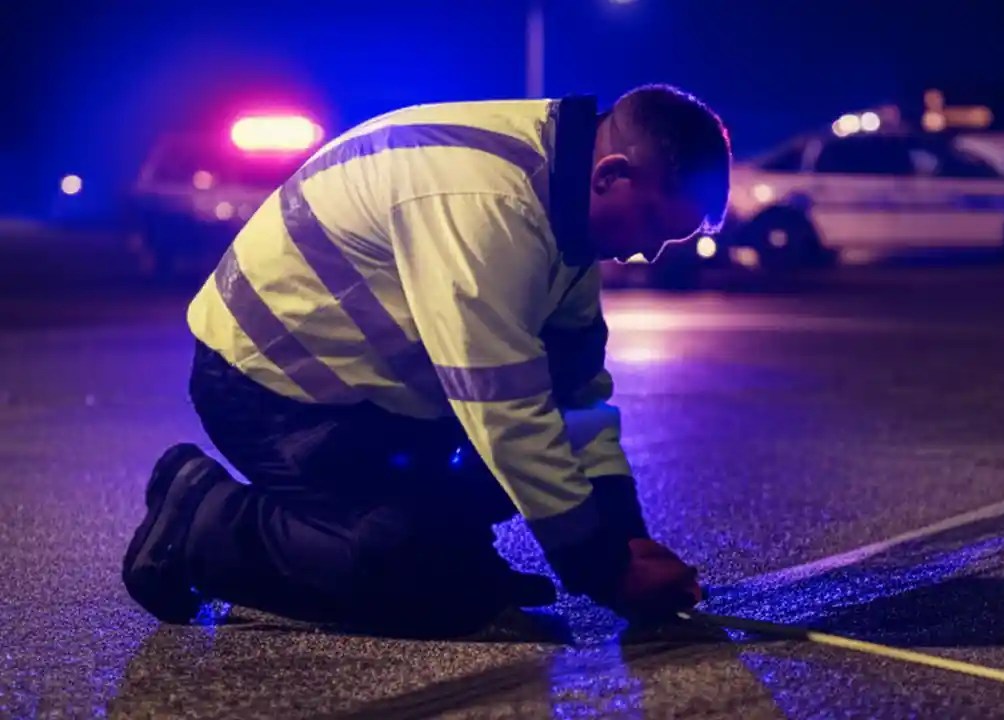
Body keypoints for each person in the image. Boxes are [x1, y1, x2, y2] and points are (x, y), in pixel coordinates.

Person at [121, 85, 732, 636]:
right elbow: (508, 413)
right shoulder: (489, 201)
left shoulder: (563, 212)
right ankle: (199, 517)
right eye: (654, 223)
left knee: (497, 515)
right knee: (415, 578)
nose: (650, 252)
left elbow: (576, 395)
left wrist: (625, 535)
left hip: (369, 401)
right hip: (269, 393)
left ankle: (454, 559)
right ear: (610, 174)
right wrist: (607, 572)